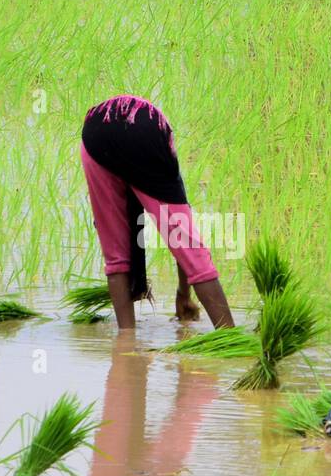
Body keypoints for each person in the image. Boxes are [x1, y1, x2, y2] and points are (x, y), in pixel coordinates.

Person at [80, 95, 233, 329]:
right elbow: (180, 234)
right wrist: (184, 294)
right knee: (189, 246)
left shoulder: (111, 128)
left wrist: (184, 293)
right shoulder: (161, 137)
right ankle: (230, 337)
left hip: (94, 134)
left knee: (116, 255)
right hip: (143, 132)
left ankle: (126, 340)